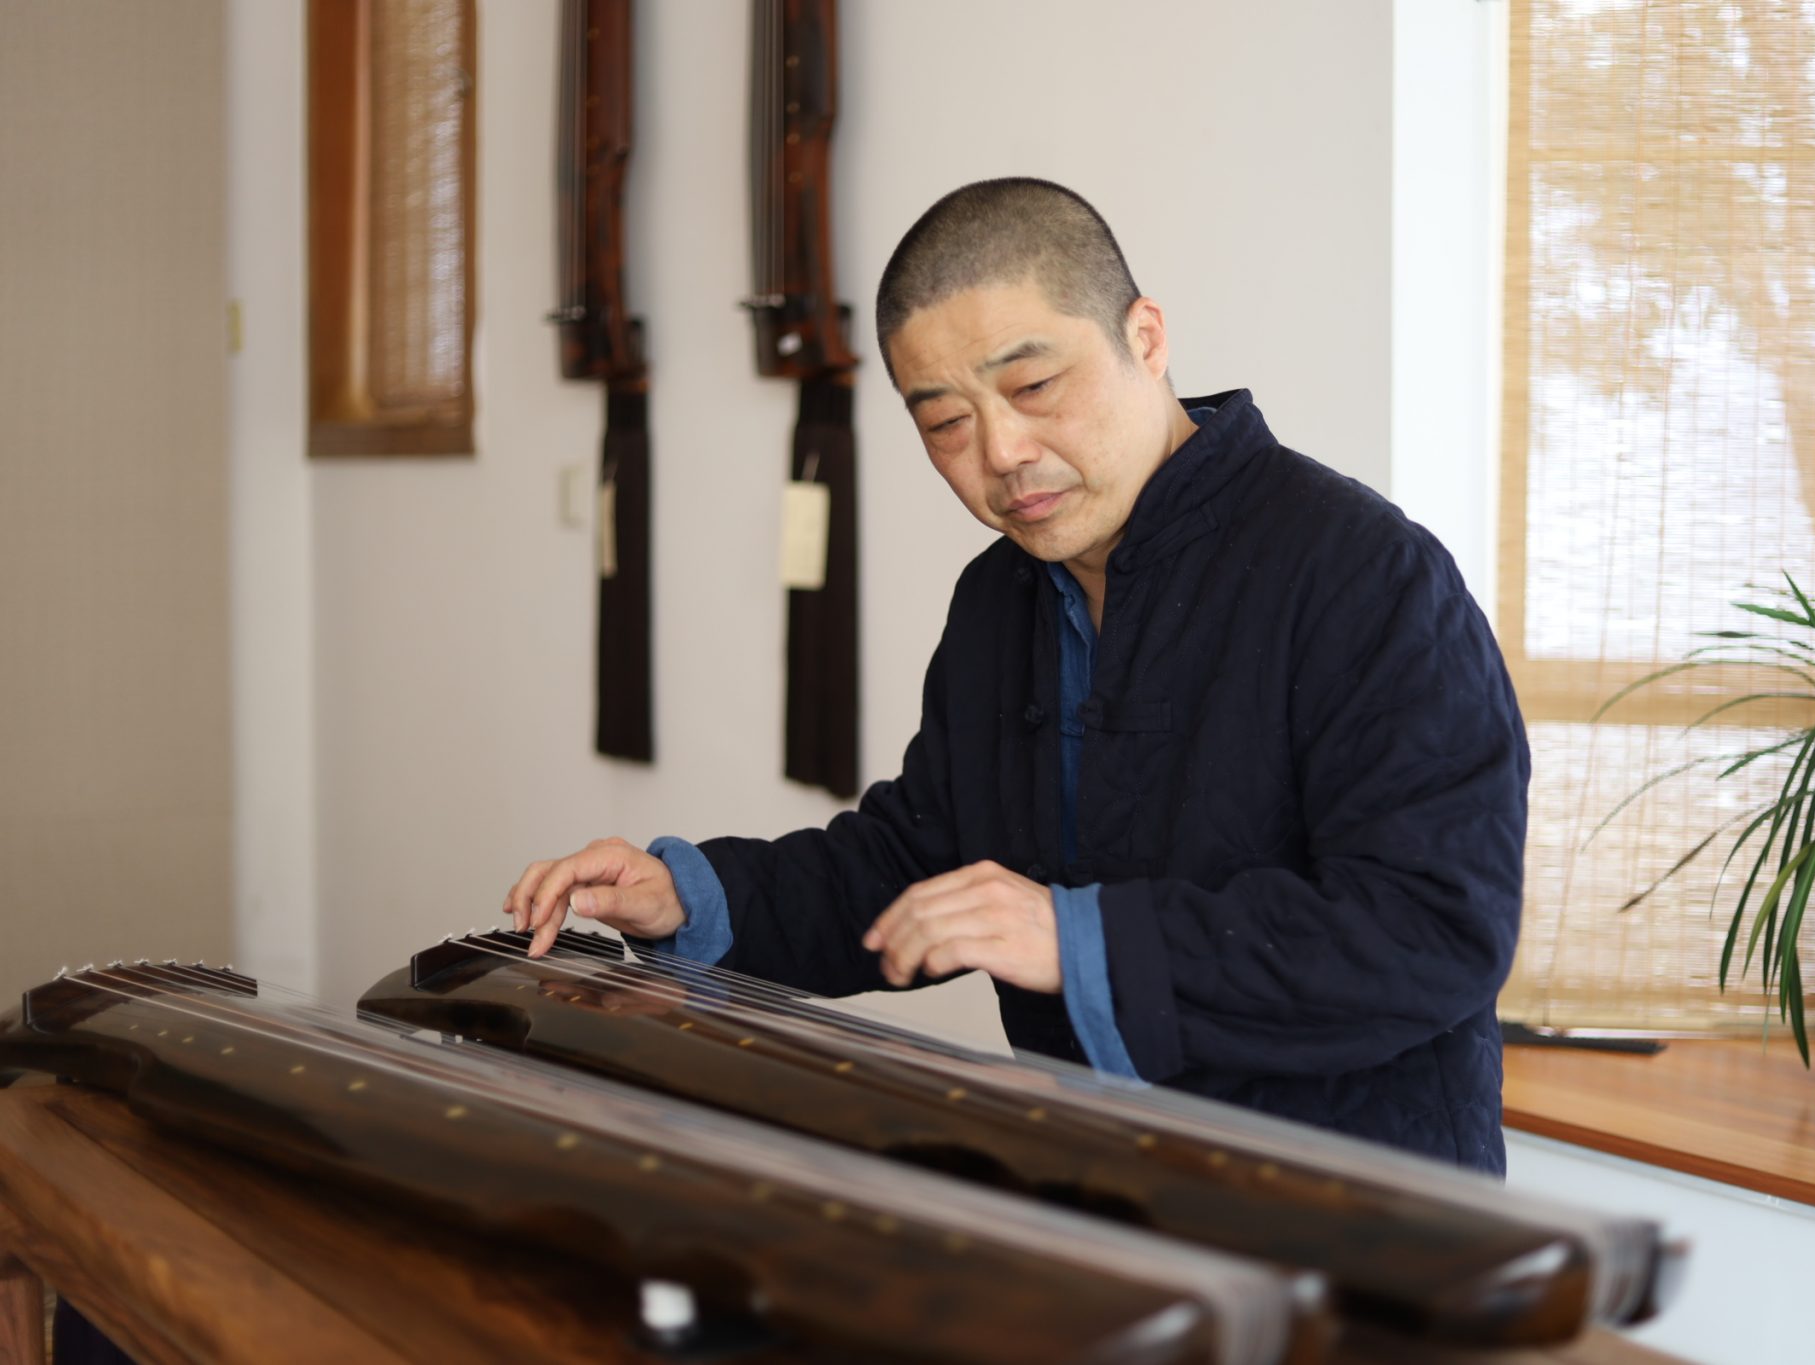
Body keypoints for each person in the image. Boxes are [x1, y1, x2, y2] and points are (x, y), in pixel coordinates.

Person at [505, 178, 1529, 1173]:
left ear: (1145, 338)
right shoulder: (998, 599)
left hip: (1356, 1229)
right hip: (1096, 1191)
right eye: (944, 422)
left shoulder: (1360, 571)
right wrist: (691, 895)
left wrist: (1074, 937)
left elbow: (1429, 930)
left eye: (1033, 387)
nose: (999, 451)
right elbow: (919, 864)